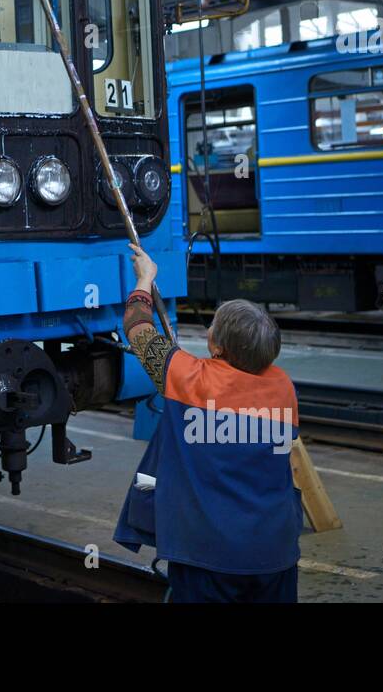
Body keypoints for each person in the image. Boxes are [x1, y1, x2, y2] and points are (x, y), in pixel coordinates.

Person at [114, 244, 302, 603]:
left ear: (218, 348)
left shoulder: (186, 377)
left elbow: (137, 326)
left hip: (208, 555)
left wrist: (145, 278)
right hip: (275, 552)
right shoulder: (284, 389)